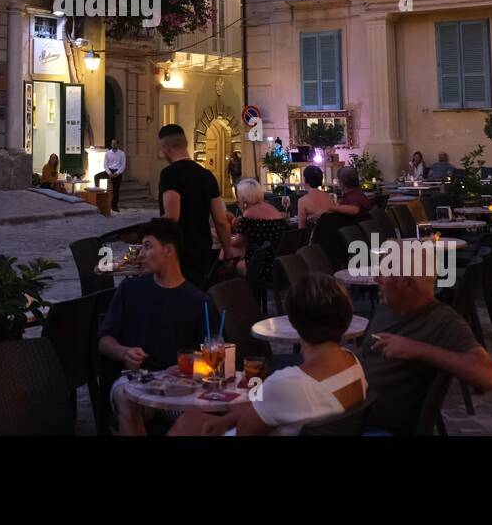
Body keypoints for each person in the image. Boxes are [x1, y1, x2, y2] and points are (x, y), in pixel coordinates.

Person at [170, 273, 367, 436]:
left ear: (294, 322)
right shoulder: (352, 362)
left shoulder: (289, 382)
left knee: (187, 422)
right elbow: (267, 406)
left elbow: (245, 430)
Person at [99, 218, 210, 436]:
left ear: (169, 251)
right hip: (135, 378)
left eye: (148, 246)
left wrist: (185, 369)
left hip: (180, 386)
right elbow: (104, 341)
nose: (140, 254)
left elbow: (214, 357)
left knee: (198, 417)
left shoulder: (198, 301)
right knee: (126, 398)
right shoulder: (129, 289)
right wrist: (124, 352)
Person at [360, 265, 492, 435]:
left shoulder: (442, 321)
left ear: (407, 283)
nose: (376, 279)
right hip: (351, 409)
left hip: (374, 427)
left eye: (384, 274)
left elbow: (487, 376)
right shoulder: (387, 306)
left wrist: (418, 349)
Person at [157, 124, 235, 285]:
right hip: (203, 250)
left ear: (167, 148)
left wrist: (145, 232)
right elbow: (220, 220)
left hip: (178, 252)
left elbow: (172, 217)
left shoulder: (169, 174)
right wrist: (228, 255)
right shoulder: (207, 176)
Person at [227, 178, 289, 275]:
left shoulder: (249, 214)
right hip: (280, 262)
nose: (237, 199)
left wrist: (225, 238)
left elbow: (238, 242)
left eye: (238, 195)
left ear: (244, 198)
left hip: (263, 266)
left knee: (230, 259)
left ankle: (233, 289)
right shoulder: (272, 208)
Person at [296, 164, 341, 229]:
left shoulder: (302, 201)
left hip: (314, 237)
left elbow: (301, 228)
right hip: (332, 236)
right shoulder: (329, 197)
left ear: (305, 180)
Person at [93, 140, 127, 212]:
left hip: (117, 172)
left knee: (116, 189)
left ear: (118, 144)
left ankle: (114, 205)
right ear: (111, 144)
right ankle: (98, 194)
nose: (113, 145)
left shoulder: (122, 153)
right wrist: (109, 173)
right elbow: (105, 165)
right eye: (112, 143)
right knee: (96, 176)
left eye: (115, 144)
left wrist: (117, 173)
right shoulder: (107, 153)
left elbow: (123, 165)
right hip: (109, 171)